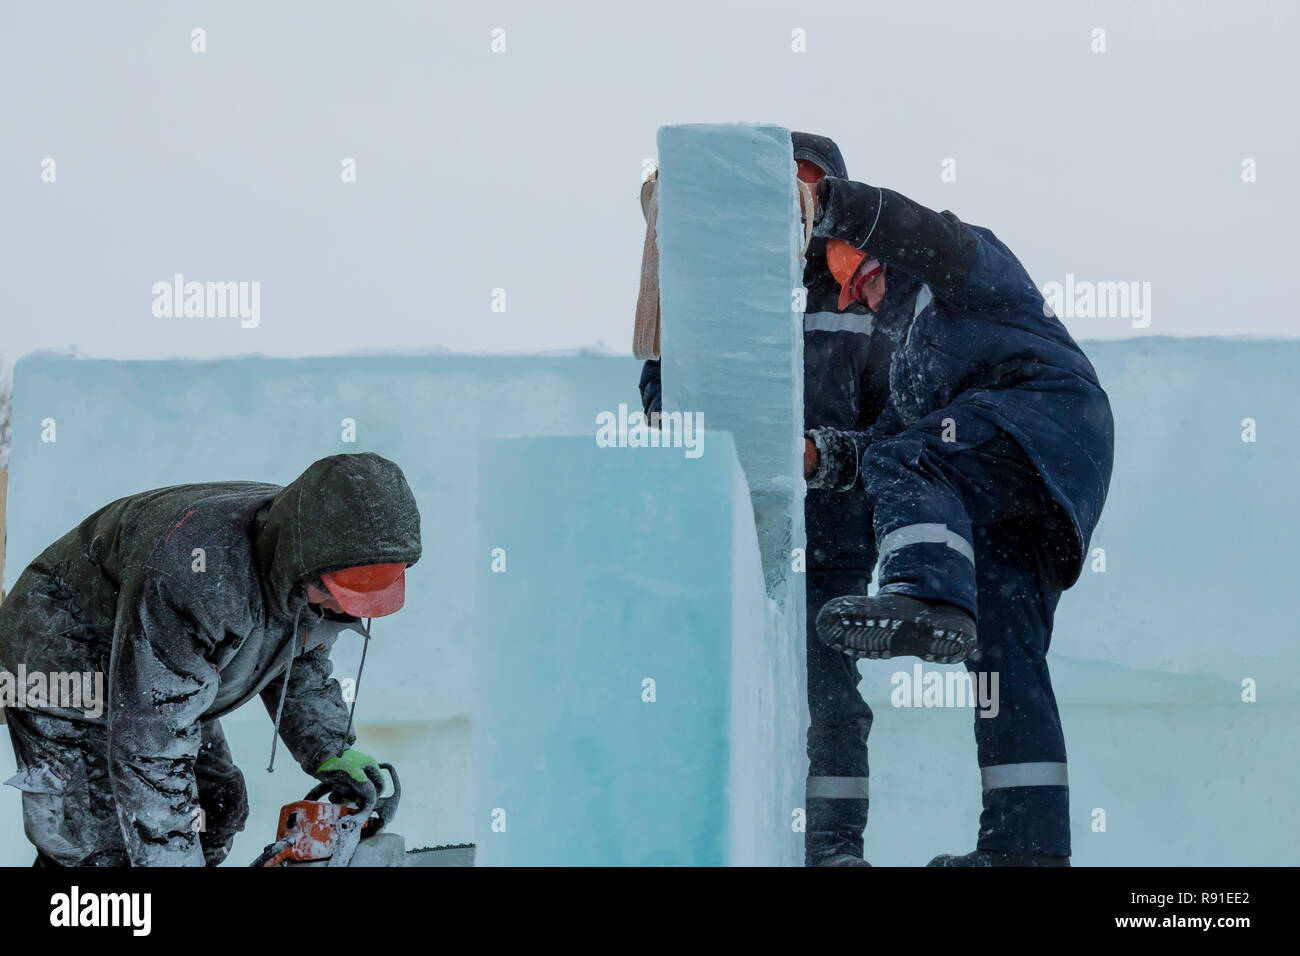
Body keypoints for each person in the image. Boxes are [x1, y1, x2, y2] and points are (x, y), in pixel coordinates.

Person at [800, 172, 1115, 866]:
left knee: (915, 459)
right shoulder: (911, 368)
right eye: (857, 295)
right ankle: (1025, 849)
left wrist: (830, 206)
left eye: (871, 280)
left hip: (1046, 416)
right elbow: (881, 449)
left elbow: (921, 228)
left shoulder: (968, 271)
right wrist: (814, 457)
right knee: (1004, 663)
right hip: (1027, 492)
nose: (865, 298)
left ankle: (924, 594)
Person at [640, 133, 904, 866]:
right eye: (781, 188)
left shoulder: (868, 299)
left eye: (812, 190)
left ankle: (834, 852)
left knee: (833, 705)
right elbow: (662, 379)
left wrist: (824, 458)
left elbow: (898, 435)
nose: (797, 207)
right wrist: (667, 421)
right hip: (724, 540)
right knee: (707, 693)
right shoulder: (718, 299)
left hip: (837, 541)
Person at [0, 452, 421, 866]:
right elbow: (151, 748)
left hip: (154, 664)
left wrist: (328, 746)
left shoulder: (319, 561)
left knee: (215, 806)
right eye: (339, 593)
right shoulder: (198, 573)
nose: (343, 610)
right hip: (62, 656)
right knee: (99, 843)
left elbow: (299, 661)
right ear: (305, 567)